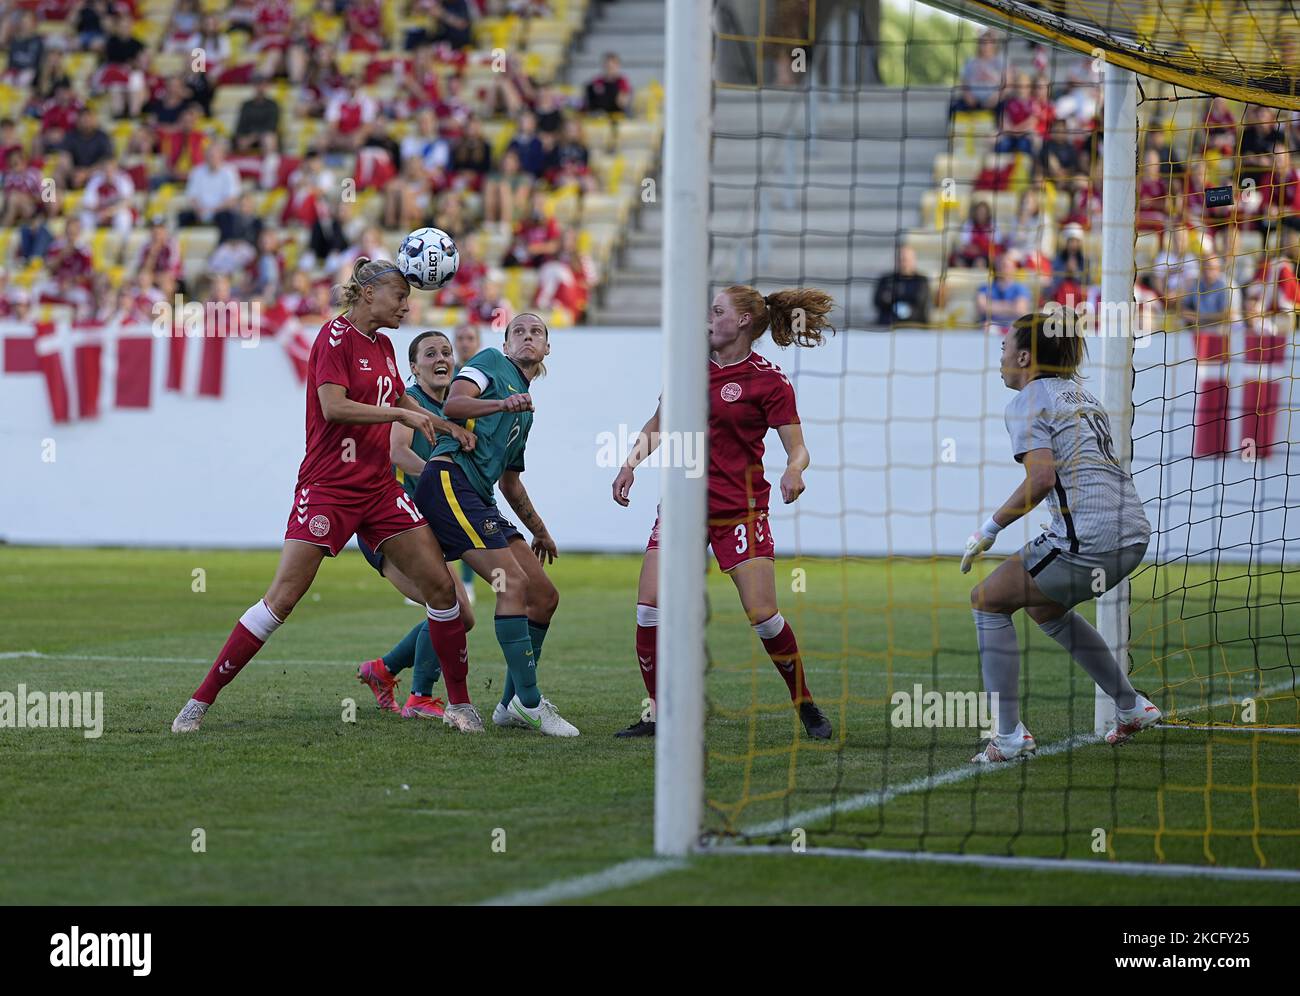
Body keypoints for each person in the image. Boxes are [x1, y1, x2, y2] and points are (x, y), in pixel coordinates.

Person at [171, 258, 481, 734]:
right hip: (328, 489)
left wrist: (439, 423)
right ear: (368, 293)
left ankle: (458, 706)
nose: (406, 305)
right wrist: (400, 417)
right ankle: (200, 701)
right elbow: (333, 407)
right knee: (282, 600)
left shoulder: (384, 345)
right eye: (399, 295)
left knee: (445, 593)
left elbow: (400, 397)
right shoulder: (333, 338)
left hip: (379, 490)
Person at [610, 285, 836, 740]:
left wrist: (794, 471)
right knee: (649, 609)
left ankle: (805, 704)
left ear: (744, 322)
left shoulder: (769, 380)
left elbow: (798, 448)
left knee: (764, 617)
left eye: (716, 311)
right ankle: (657, 714)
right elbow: (660, 423)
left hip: (740, 511)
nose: (707, 319)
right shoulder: (688, 369)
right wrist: (629, 463)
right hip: (681, 508)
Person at [960, 312, 1158, 763]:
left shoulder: (1030, 399)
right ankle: (1131, 706)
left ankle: (1009, 737)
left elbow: (1042, 478)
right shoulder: (1081, 394)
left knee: (987, 599)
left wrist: (989, 529)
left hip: (1088, 541)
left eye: (1005, 349)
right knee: (1044, 607)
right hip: (1133, 535)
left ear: (1025, 356)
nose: (1002, 358)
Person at [413, 313, 579, 736]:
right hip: (449, 480)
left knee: (543, 595)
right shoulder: (490, 362)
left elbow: (510, 481)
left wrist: (539, 529)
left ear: (546, 349)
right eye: (517, 331)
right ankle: (529, 702)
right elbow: (453, 404)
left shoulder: (525, 409)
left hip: (480, 497)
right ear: (506, 346)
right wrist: (501, 403)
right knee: (512, 584)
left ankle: (508, 705)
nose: (527, 336)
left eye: (536, 332)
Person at [355, 330, 478, 720]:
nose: (440, 358)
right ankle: (419, 696)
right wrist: (439, 476)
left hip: (424, 525)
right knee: (450, 609)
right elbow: (398, 451)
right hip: (391, 527)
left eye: (446, 352)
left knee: (458, 613)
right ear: (413, 367)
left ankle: (383, 670)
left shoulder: (453, 411)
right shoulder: (409, 403)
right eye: (429, 353)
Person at [873, 244, 932, 327]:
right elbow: (878, 302)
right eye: (900, 259)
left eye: (906, 259)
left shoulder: (921, 280)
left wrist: (892, 298)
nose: (903, 262)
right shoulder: (886, 279)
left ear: (914, 260)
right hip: (888, 326)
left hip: (915, 327)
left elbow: (920, 302)